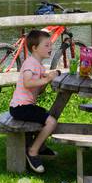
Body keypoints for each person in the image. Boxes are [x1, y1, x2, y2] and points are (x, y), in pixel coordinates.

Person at [19, 30, 64, 174]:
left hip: (26, 106)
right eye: (46, 45)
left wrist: (48, 78)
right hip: (21, 107)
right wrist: (46, 79)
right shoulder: (30, 64)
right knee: (51, 122)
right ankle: (33, 151)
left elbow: (39, 90)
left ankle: (41, 147)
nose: (50, 48)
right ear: (34, 48)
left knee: (48, 116)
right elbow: (27, 83)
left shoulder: (38, 65)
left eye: (50, 45)